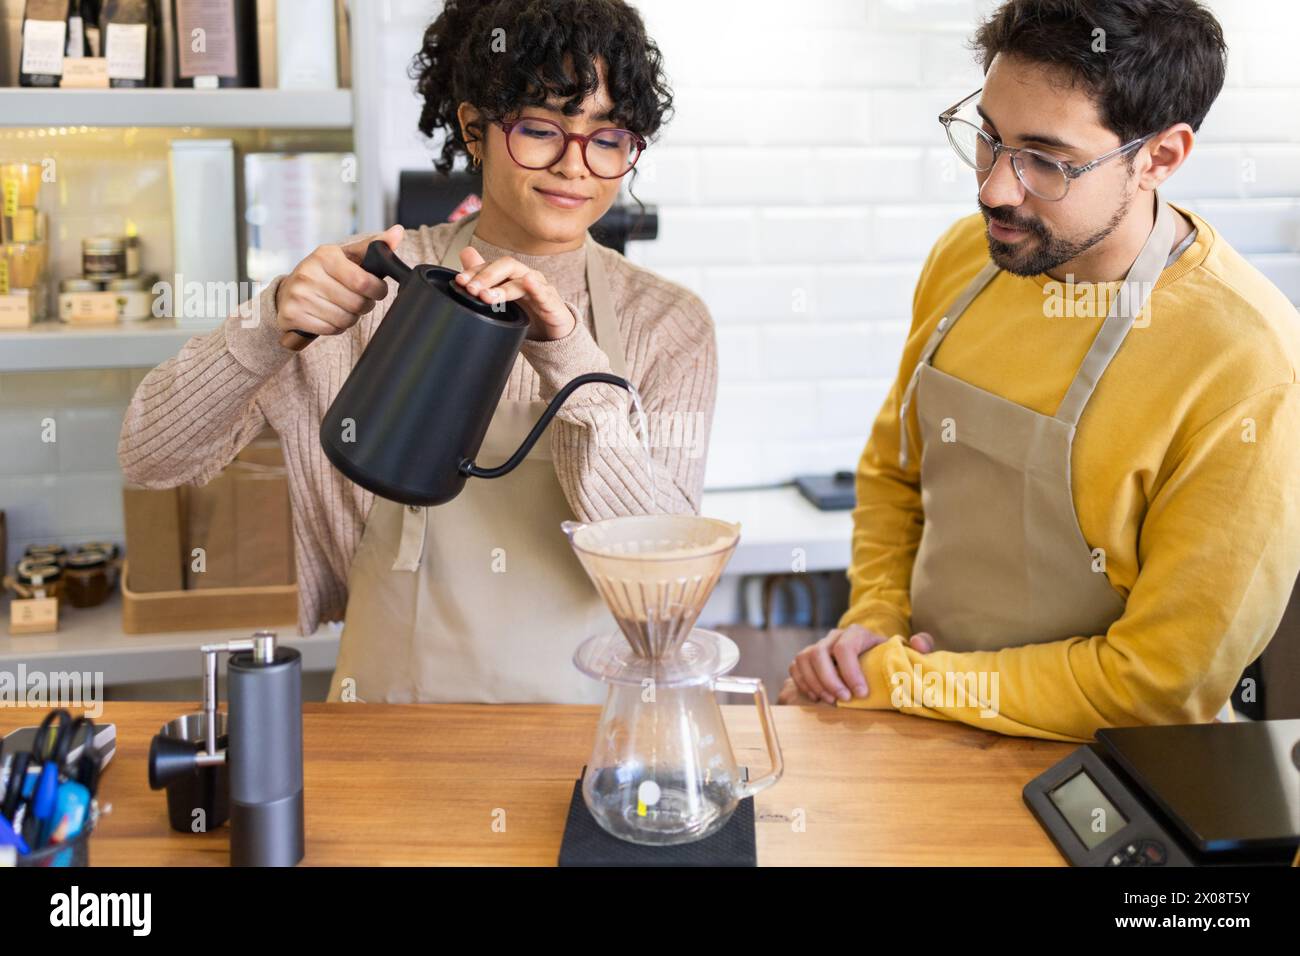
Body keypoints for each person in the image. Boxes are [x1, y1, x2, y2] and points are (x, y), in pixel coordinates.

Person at [119, 0, 717, 704]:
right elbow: (148, 459)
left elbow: (669, 584)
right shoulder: (366, 286)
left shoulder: (670, 323)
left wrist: (573, 367)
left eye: (608, 137)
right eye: (540, 129)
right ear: (474, 129)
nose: (575, 167)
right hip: (392, 716)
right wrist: (263, 326)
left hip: (592, 732)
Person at [782, 0, 1300, 741]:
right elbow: (895, 473)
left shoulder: (1249, 367)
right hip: (914, 727)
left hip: (1100, 778)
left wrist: (904, 679)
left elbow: (1158, 684)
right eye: (988, 139)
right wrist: (874, 621)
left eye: (1047, 161)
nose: (994, 188)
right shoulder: (970, 257)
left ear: (1160, 157)